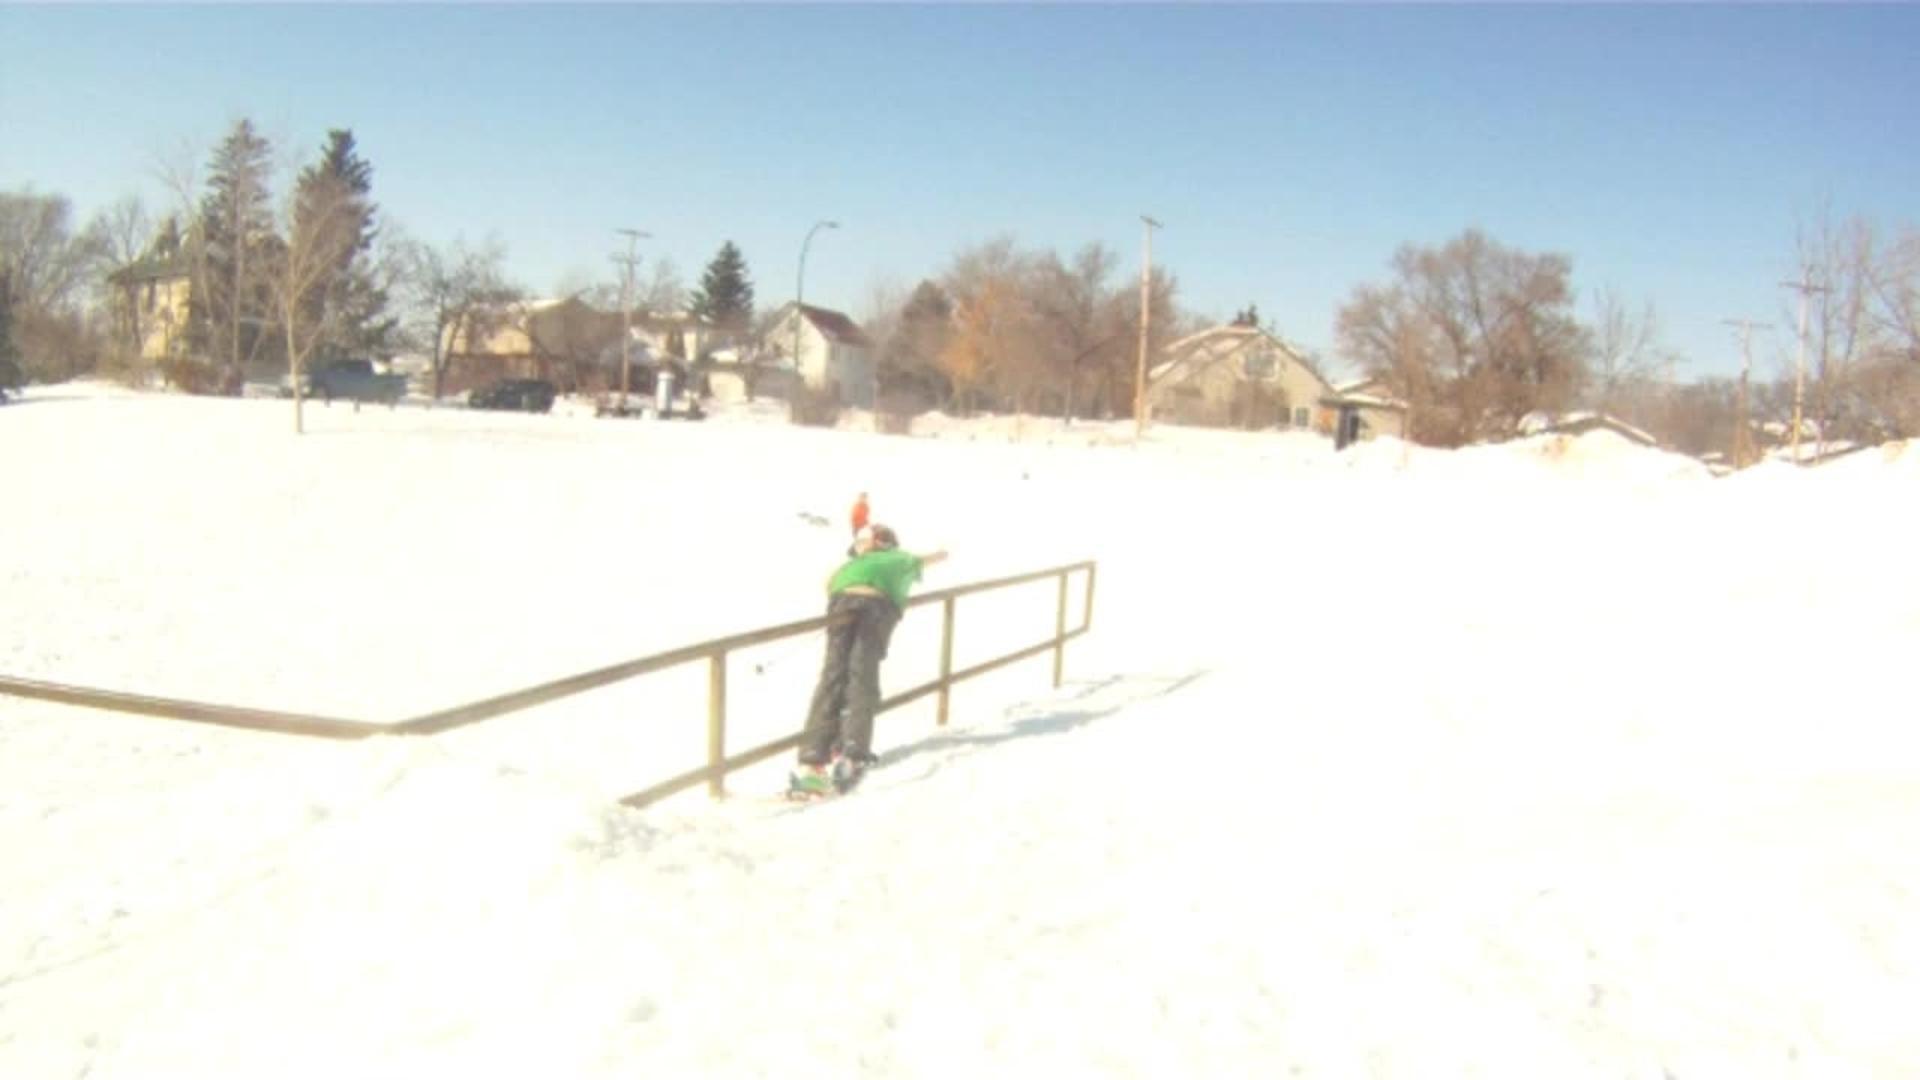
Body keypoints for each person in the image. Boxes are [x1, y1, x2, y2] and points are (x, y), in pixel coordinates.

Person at [792, 523, 947, 795]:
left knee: (833, 675)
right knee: (861, 674)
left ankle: (813, 755)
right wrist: (940, 553)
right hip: (875, 605)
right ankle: (852, 750)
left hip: (842, 604)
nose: (860, 546)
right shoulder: (898, 559)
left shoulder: (861, 563)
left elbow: (827, 583)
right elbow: (931, 558)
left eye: (863, 541)